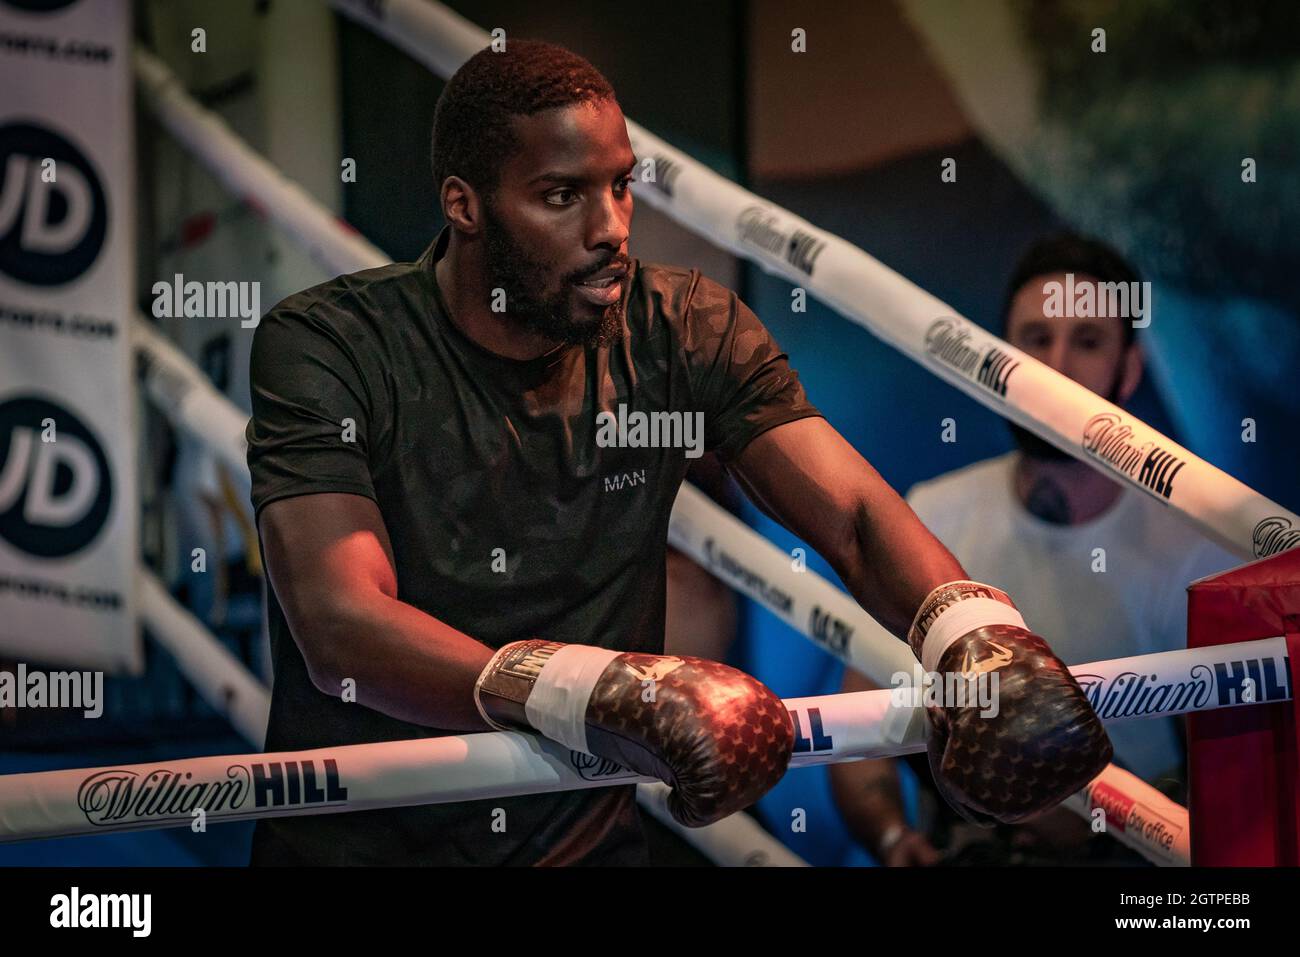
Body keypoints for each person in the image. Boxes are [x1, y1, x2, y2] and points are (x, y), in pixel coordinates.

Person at [245, 40, 1110, 866]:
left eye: (621, 187)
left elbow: (849, 511)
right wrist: (609, 692)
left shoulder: (680, 328)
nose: (612, 227)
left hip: (579, 845)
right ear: (464, 203)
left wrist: (970, 632)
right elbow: (341, 623)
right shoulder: (330, 347)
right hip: (361, 842)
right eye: (562, 196)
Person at [831, 233, 1238, 865]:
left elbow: (1231, 790)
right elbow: (862, 720)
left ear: (1128, 369)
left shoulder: (1197, 550)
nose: (1058, 366)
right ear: (1000, 361)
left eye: (1087, 340)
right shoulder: (933, 514)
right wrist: (892, 838)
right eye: (1036, 339)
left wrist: (1107, 819)